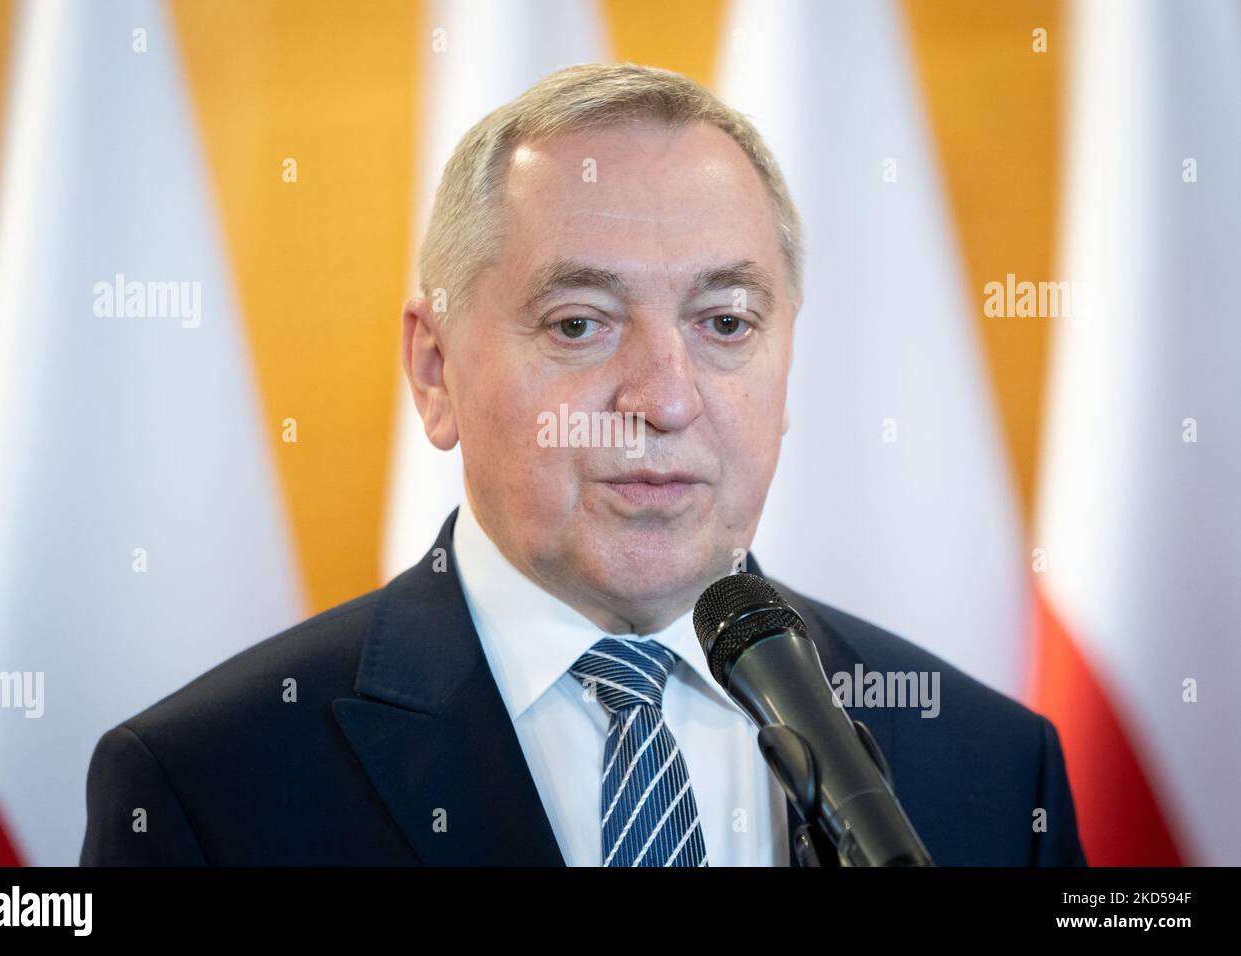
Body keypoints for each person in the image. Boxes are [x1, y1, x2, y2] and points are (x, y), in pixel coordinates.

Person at [81, 62, 1085, 867]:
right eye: (579, 323)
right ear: (435, 371)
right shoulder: (207, 786)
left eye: (725, 321)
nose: (665, 396)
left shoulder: (991, 768)